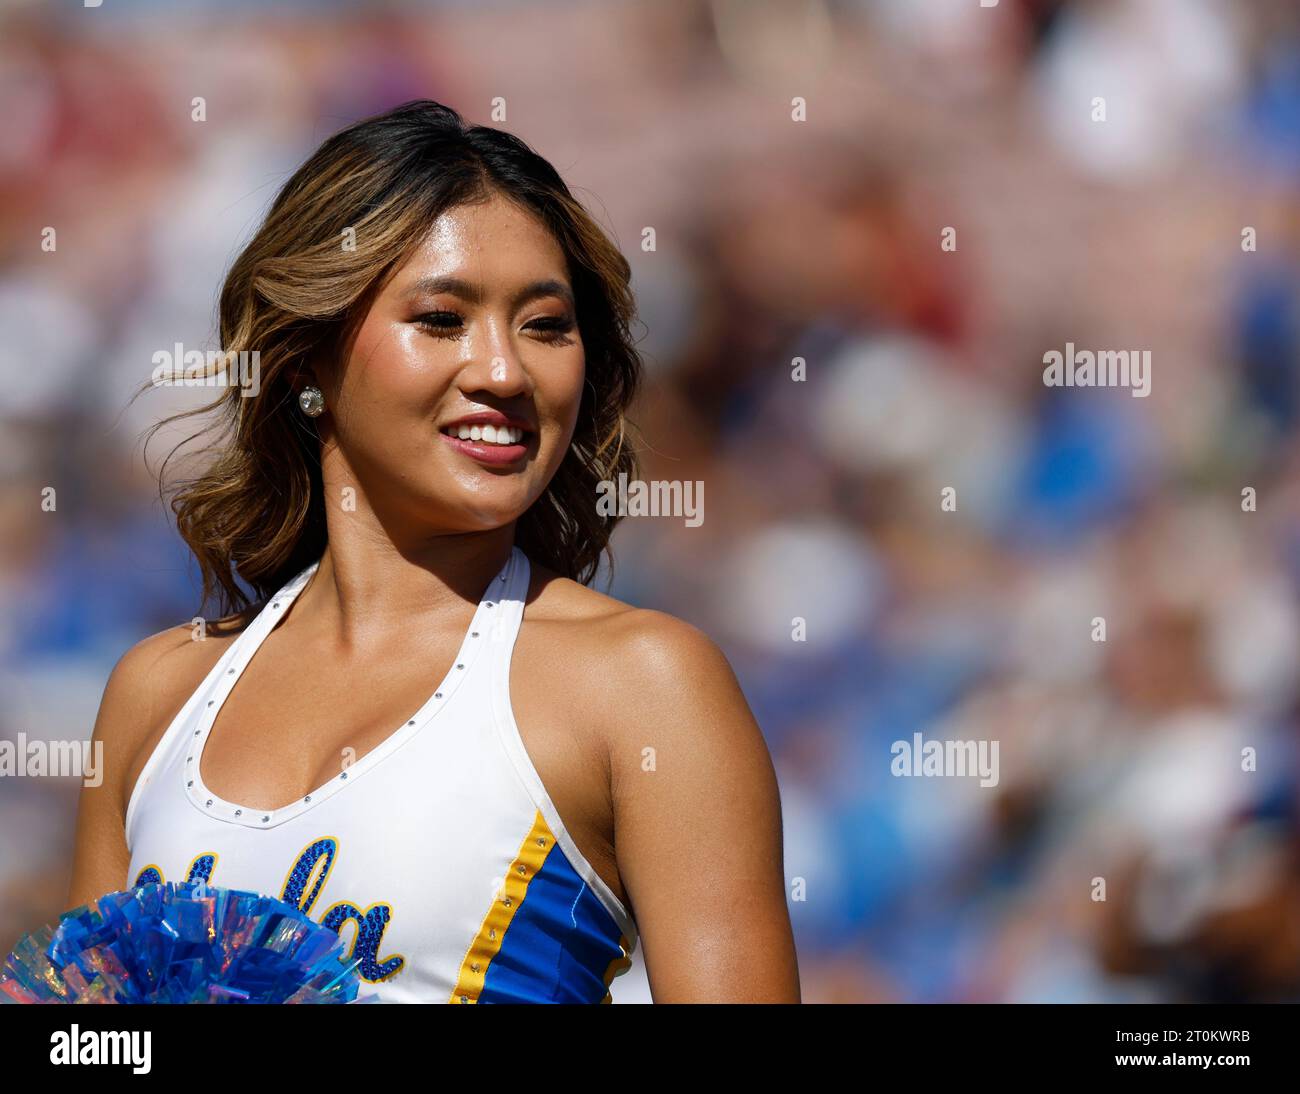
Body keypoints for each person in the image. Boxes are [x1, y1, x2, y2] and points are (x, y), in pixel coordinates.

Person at [66, 100, 799, 1003]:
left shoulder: (644, 685)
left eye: (545, 325)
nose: (504, 371)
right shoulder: (157, 695)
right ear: (305, 361)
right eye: (444, 318)